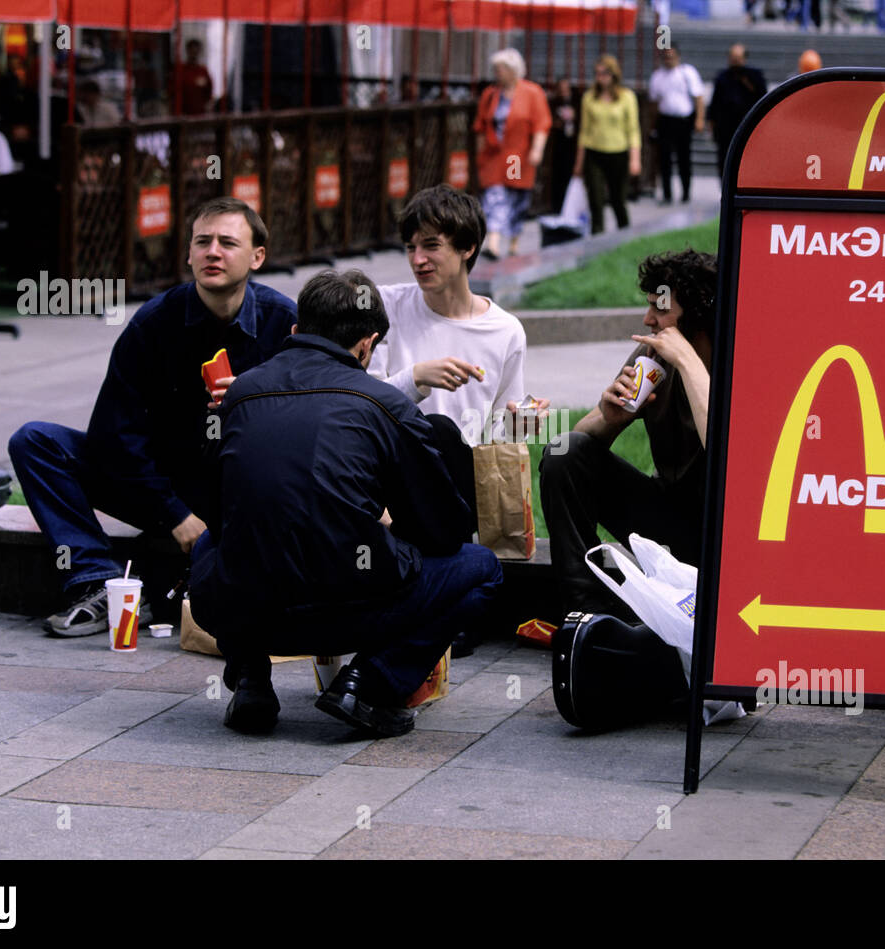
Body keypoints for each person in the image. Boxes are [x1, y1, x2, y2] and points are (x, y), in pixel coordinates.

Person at [188, 270, 504, 737]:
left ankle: (252, 678)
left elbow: (214, 509)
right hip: (352, 614)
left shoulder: (238, 394)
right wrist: (385, 524)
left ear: (295, 333)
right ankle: (367, 684)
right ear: (367, 345)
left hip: (239, 607)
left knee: (210, 546)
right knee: (482, 568)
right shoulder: (387, 405)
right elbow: (443, 531)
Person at [7, 198, 295, 637]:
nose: (212, 252)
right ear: (188, 254)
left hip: (243, 488)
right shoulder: (155, 323)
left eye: (227, 243)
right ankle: (97, 581)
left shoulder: (285, 323)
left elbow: (311, 425)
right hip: (161, 485)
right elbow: (113, 434)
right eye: (202, 242)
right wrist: (173, 512)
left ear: (257, 257)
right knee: (36, 442)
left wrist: (253, 399)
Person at [369, 185, 549, 656]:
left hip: (458, 491)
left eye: (432, 246)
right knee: (437, 431)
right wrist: (415, 378)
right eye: (410, 247)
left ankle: (436, 603)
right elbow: (357, 402)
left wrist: (528, 422)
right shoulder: (387, 306)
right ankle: (447, 604)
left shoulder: (504, 330)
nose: (418, 259)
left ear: (468, 248)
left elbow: (500, 436)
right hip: (387, 473)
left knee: (449, 438)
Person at [539, 249, 716, 619]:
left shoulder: (737, 356)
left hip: (722, 534)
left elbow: (726, 455)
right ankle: (582, 610)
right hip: (670, 515)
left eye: (661, 308)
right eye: (649, 305)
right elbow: (579, 440)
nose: (648, 318)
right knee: (563, 453)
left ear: (698, 311)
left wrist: (686, 361)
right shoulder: (654, 356)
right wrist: (609, 417)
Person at [473, 48, 551, 259]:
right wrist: (480, 156)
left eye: (500, 69)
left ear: (512, 70)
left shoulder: (531, 93)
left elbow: (541, 124)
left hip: (516, 157)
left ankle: (514, 240)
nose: (496, 73)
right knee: (495, 196)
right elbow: (480, 125)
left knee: (515, 194)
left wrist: (537, 149)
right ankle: (494, 242)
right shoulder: (491, 95)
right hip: (494, 155)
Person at [575, 55, 640, 234]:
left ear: (614, 74)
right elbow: (584, 132)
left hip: (618, 152)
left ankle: (625, 234)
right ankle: (597, 237)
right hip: (595, 152)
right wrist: (579, 163)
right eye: (597, 73)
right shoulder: (589, 97)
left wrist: (635, 159)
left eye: (604, 73)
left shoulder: (627, 97)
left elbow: (633, 130)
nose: (600, 77)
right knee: (596, 199)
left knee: (618, 199)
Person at [647, 45, 704, 204]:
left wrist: (699, 119)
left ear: (678, 57)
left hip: (683, 120)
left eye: (671, 56)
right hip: (665, 120)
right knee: (665, 159)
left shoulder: (687, 73)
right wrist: (653, 125)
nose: (669, 60)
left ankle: (686, 191)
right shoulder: (658, 76)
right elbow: (653, 104)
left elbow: (698, 97)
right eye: (666, 57)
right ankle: (667, 193)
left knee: (683, 158)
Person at [709, 44, 766, 179]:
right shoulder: (722, 77)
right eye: (733, 57)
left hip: (747, 126)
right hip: (725, 127)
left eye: (738, 58)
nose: (735, 61)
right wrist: (711, 123)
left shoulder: (754, 76)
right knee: (724, 159)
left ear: (744, 58)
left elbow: (762, 96)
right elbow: (715, 102)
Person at [548, 77, 579, 213]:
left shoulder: (576, 102)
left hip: (572, 144)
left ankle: (569, 207)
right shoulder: (554, 103)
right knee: (557, 176)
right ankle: (557, 206)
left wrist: (574, 117)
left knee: (570, 175)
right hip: (558, 144)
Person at [176, 39, 214, 115]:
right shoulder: (181, 70)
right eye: (192, 50)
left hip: (200, 113)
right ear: (188, 51)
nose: (194, 53)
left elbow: (209, 90)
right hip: (183, 114)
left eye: (196, 51)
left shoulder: (203, 71)